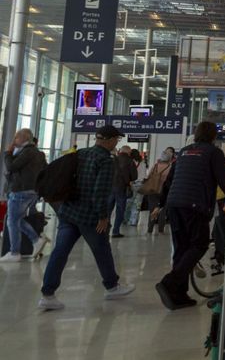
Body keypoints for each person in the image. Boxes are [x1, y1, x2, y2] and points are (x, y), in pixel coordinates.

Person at [39, 125, 136, 310]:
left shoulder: (80, 153)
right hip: (89, 216)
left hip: (68, 212)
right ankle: (112, 287)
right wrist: (103, 216)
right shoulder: (106, 160)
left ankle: (47, 294)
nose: (117, 142)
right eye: (116, 139)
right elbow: (100, 191)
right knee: (102, 249)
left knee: (59, 252)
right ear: (107, 139)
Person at [155, 120, 225, 310]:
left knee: (181, 247)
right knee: (199, 245)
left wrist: (161, 204)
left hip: (174, 204)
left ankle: (178, 294)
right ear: (213, 136)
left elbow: (169, 181)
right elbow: (223, 179)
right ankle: (170, 282)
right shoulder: (214, 152)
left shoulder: (183, 152)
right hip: (195, 204)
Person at [2, 128, 47, 262]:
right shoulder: (39, 154)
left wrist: (8, 153)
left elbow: (11, 167)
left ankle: (15, 252)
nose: (14, 141)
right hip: (32, 191)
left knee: (12, 221)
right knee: (17, 219)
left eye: (16, 138)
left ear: (24, 138)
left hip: (20, 191)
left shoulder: (27, 152)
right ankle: (36, 240)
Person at [139, 147, 175, 235]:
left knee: (152, 209)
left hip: (153, 190)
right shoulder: (170, 168)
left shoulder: (155, 166)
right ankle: (161, 229)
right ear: (170, 158)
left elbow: (148, 176)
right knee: (162, 210)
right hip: (164, 191)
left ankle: (150, 229)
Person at [109, 145, 138, 237]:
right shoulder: (130, 161)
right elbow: (134, 177)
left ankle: (104, 230)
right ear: (129, 152)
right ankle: (115, 231)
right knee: (120, 210)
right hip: (122, 188)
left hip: (110, 187)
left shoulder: (112, 160)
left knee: (107, 210)